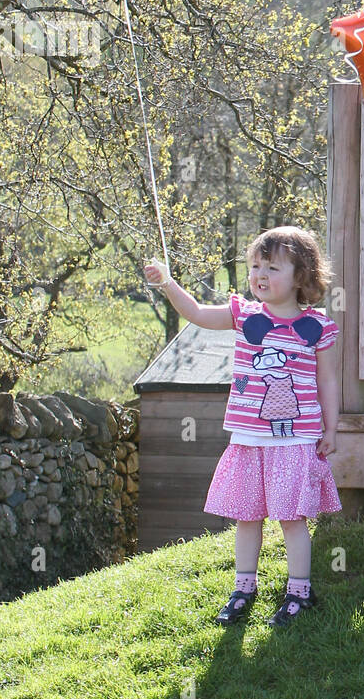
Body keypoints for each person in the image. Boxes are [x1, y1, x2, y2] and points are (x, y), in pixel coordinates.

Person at [144, 226, 340, 628]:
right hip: (249, 438)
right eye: (254, 266)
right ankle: (243, 589)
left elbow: (328, 382)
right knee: (247, 516)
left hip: (295, 439)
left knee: (292, 517)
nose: (259, 275)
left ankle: (299, 592)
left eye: (272, 267)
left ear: (301, 276)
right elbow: (196, 313)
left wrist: (332, 430)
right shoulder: (245, 315)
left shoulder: (317, 327)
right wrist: (167, 283)